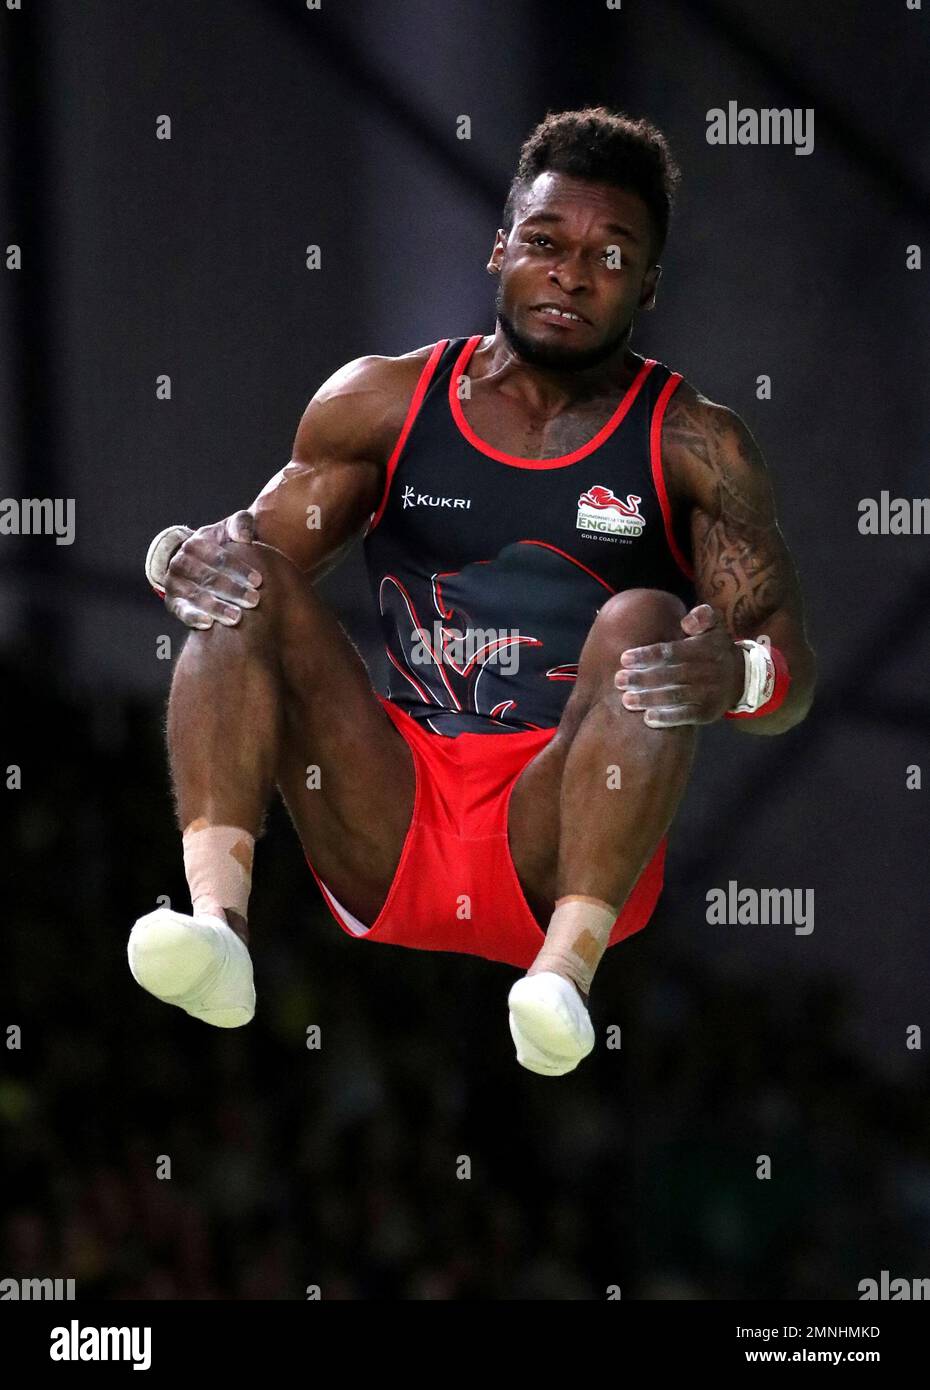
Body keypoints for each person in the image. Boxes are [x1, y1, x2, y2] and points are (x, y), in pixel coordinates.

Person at [128, 106, 816, 1076]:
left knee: (644, 618)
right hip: (391, 811)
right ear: (500, 251)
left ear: (648, 285)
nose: (571, 273)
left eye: (609, 256)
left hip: (568, 824)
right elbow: (233, 560)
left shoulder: (695, 445)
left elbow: (790, 674)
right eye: (545, 241)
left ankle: (562, 975)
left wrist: (737, 675)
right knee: (246, 580)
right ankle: (218, 929)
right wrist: (175, 557)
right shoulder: (382, 402)